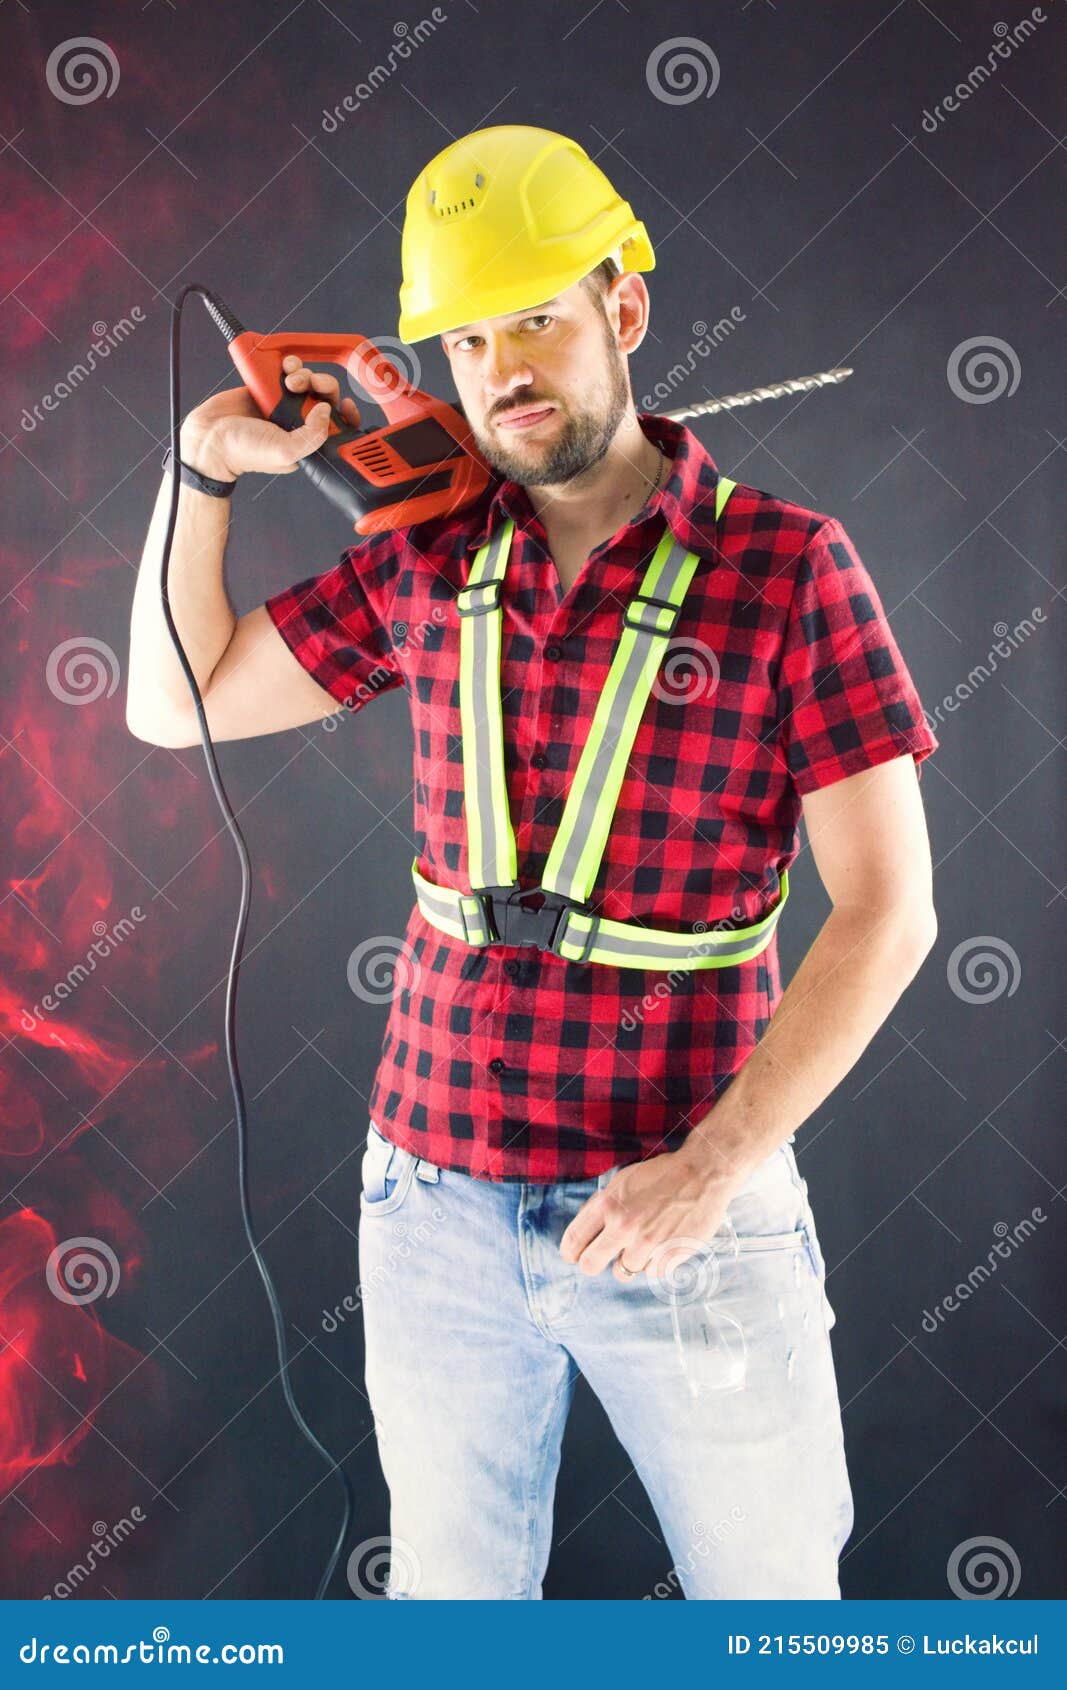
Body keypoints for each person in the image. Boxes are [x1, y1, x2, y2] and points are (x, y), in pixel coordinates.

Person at [126, 125, 939, 1599]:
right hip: (429, 1203)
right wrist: (202, 474)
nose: (503, 368)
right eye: (471, 339)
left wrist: (711, 1167)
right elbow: (169, 705)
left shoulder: (789, 569)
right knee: (455, 1612)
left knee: (774, 1615)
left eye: (539, 322)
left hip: (691, 1195)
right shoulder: (431, 559)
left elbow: (888, 913)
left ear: (621, 312)